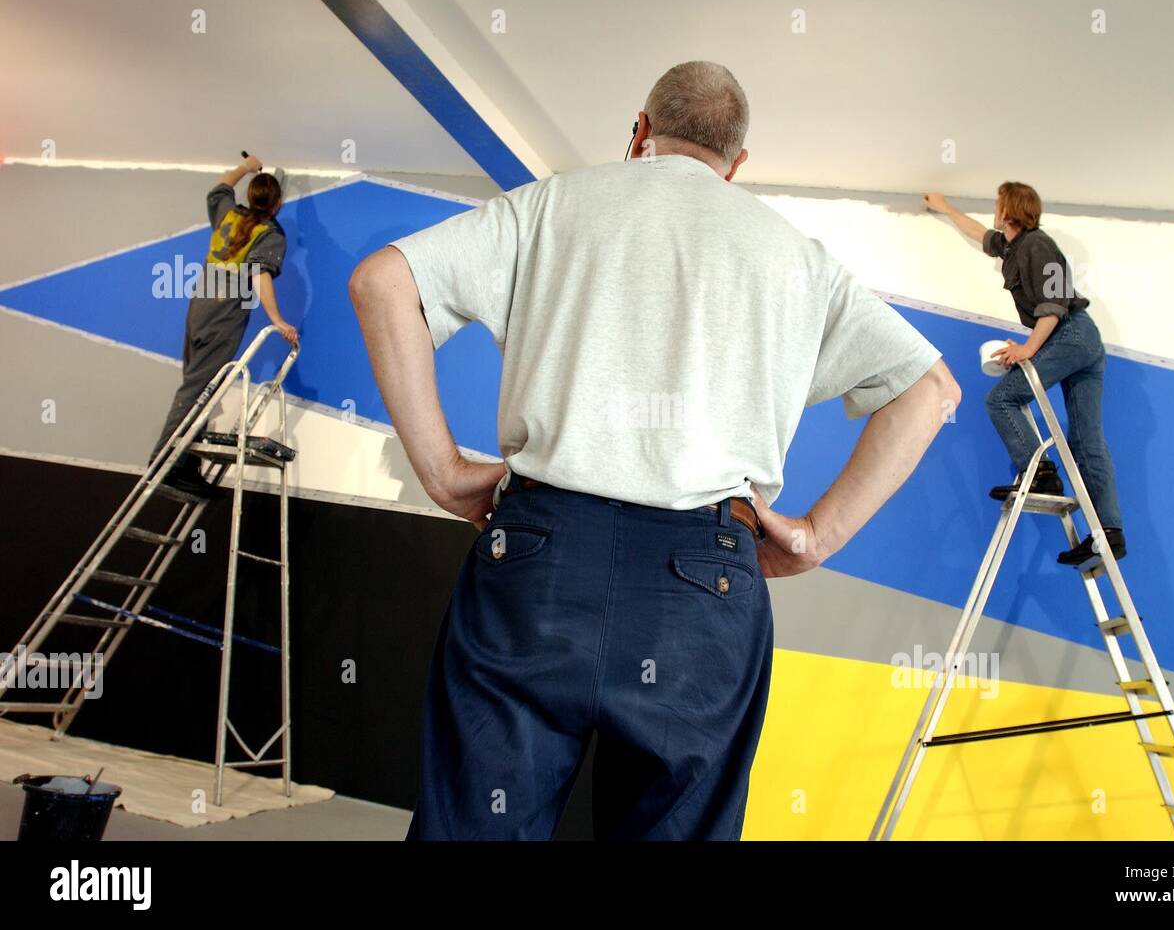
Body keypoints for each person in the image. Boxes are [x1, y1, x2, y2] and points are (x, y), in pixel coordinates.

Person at [351, 61, 961, 840]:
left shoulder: (552, 203)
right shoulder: (798, 259)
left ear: (640, 131)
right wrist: (817, 536)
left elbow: (381, 282)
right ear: (736, 162)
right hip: (705, 582)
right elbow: (931, 390)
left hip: (539, 558)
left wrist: (441, 473)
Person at [923, 184, 1124, 565]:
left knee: (1001, 399)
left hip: (1072, 335)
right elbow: (980, 234)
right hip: (1077, 341)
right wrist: (945, 208)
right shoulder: (1012, 246)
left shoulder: (1038, 245)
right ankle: (1108, 535)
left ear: (1008, 210)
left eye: (998, 204)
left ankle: (1040, 473)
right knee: (1086, 442)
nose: (994, 210)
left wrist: (1028, 349)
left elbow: (1054, 304)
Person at [150, 153, 299, 496]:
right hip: (222, 316)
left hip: (199, 309)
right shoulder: (270, 233)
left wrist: (246, 167)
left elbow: (219, 189)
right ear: (277, 204)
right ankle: (165, 464)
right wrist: (277, 320)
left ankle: (186, 463)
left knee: (200, 385)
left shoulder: (229, 214)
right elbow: (259, 274)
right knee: (198, 389)